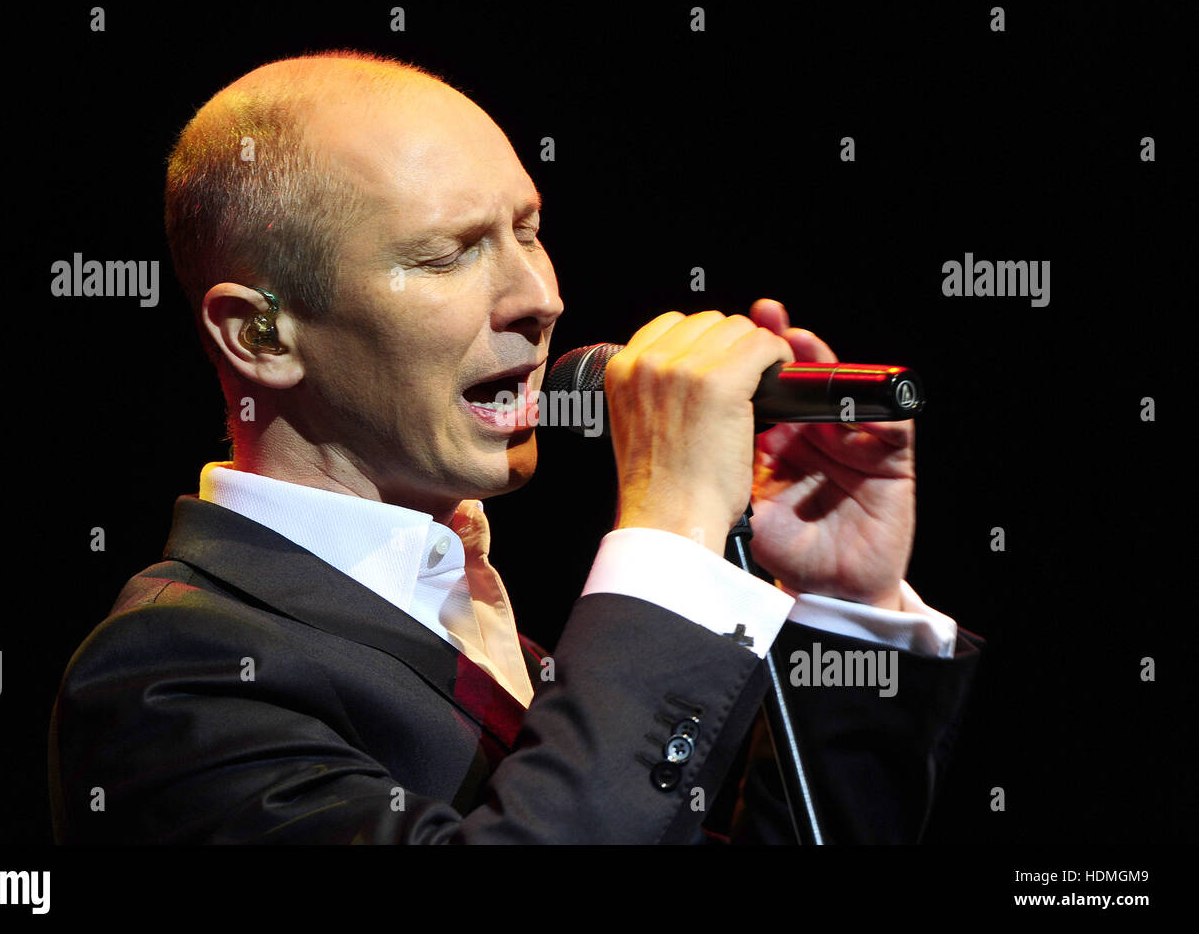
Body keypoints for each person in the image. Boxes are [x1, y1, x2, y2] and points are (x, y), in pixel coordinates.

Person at [48, 51, 981, 844]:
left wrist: (845, 607)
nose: (540, 296)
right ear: (262, 337)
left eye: (528, 232)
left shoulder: (496, 636)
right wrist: (669, 533)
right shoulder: (167, 678)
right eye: (449, 253)